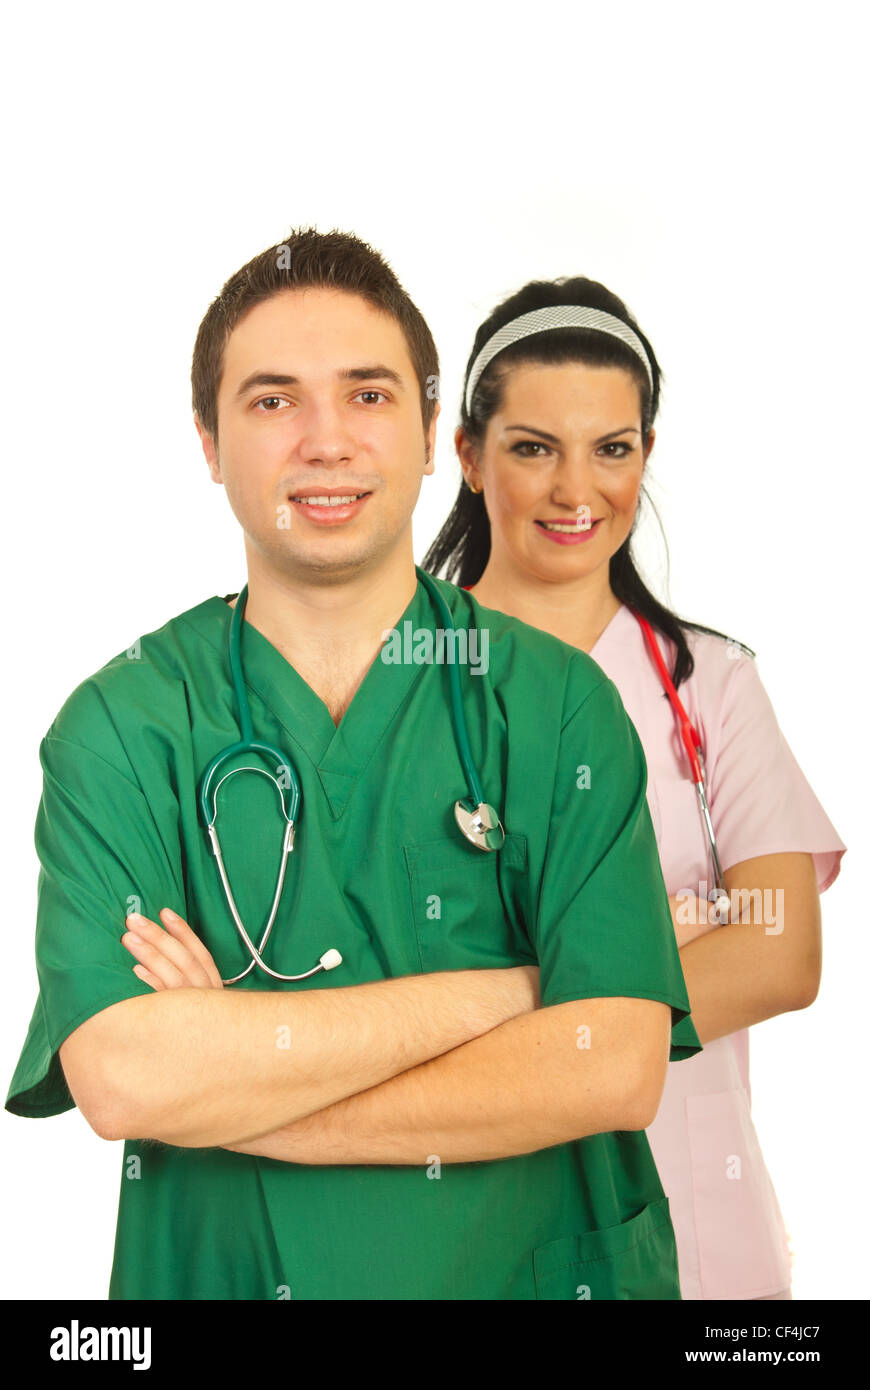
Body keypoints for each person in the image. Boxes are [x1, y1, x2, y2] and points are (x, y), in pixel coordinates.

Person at [5, 229, 701, 1301]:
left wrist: (238, 1080)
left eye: (369, 397)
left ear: (431, 436)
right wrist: (510, 996)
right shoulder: (123, 725)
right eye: (273, 401)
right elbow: (127, 1076)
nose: (326, 441)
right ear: (208, 440)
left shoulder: (558, 710)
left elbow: (611, 1062)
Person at [423, 276, 846, 1301]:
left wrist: (501, 991)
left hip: (698, 1226)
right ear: (471, 456)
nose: (578, 490)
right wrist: (672, 930)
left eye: (612, 447)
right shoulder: (397, 683)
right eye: (533, 447)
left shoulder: (712, 685)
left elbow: (783, 952)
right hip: (459, 1214)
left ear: (645, 455)